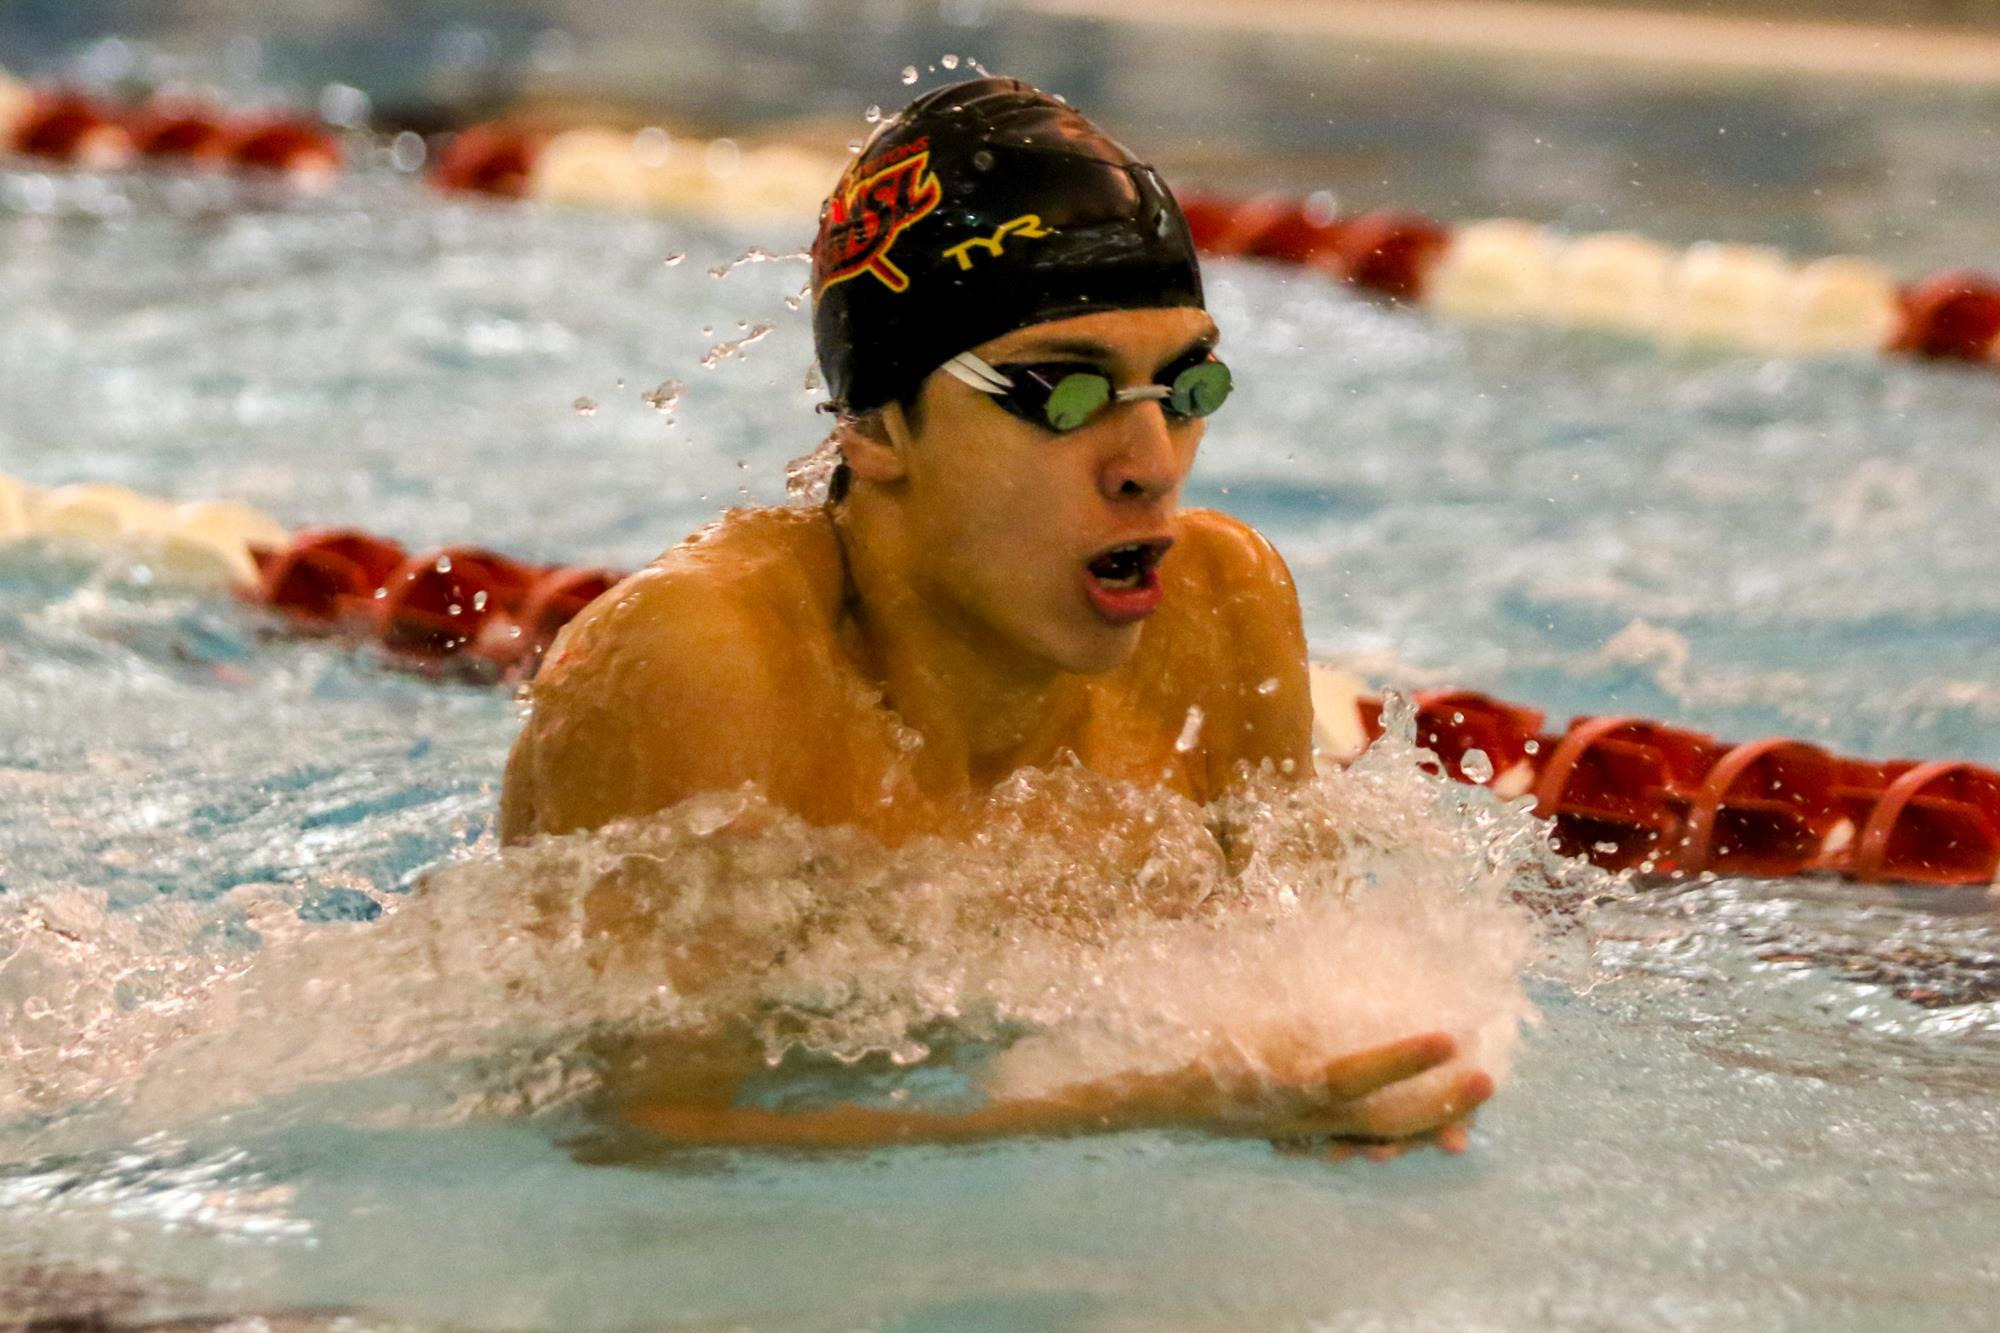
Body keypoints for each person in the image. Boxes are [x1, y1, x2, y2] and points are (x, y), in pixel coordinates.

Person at [499, 78, 1492, 1153]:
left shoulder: (1218, 608)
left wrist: (1353, 1089)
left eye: (1184, 389)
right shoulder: (710, 663)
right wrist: (1137, 1108)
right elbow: (643, 1141)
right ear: (876, 425)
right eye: (1062, 393)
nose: (1149, 466)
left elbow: (1289, 999)